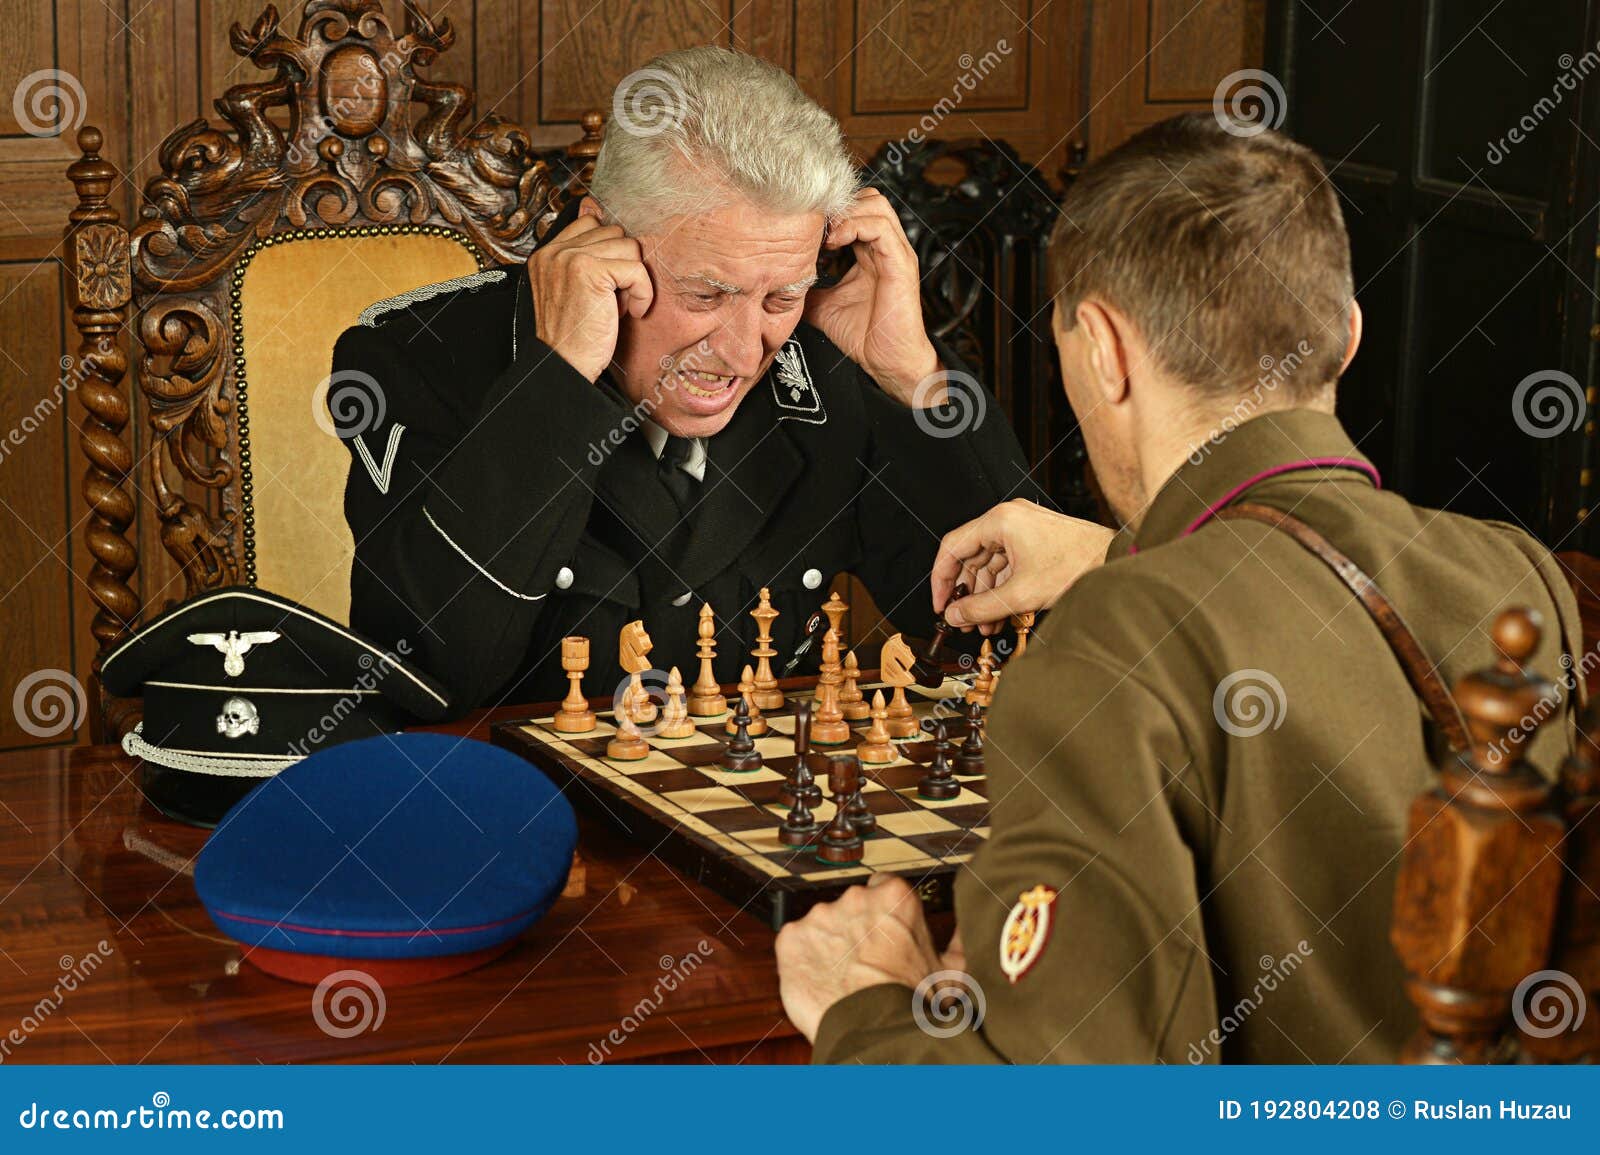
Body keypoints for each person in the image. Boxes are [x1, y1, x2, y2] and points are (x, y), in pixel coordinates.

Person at [775, 111, 1583, 1063]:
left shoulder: (1111, 647)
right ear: (1347, 336)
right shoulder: (1514, 572)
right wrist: (1117, 555)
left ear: (1107, 350)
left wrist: (865, 1003)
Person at [332, 46, 1042, 710]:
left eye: (780, 297)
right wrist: (555, 381)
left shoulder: (828, 360)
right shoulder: (415, 360)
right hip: (524, 824)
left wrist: (913, 376)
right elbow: (427, 672)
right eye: (706, 295)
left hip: (756, 818)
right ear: (600, 238)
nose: (742, 351)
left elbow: (1006, 628)